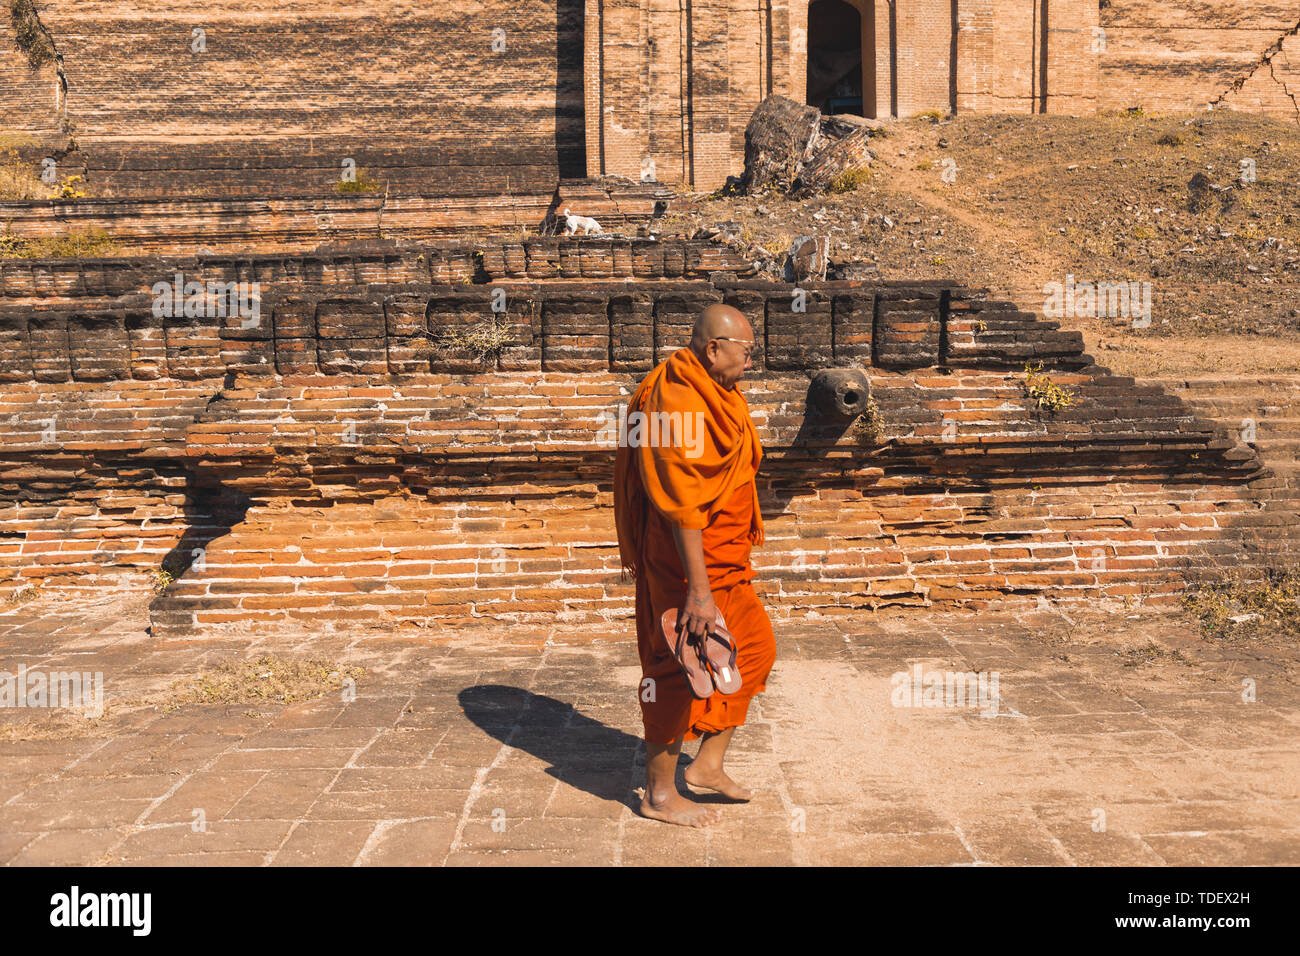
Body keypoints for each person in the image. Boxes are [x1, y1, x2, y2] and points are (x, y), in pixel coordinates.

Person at [613, 303, 776, 827]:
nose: (751, 362)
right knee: (675, 671)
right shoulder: (675, 400)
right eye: (746, 351)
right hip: (685, 567)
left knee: (753, 651)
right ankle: (658, 794)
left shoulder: (717, 393)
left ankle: (706, 767)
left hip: (727, 559)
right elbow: (683, 503)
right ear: (714, 348)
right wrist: (698, 594)